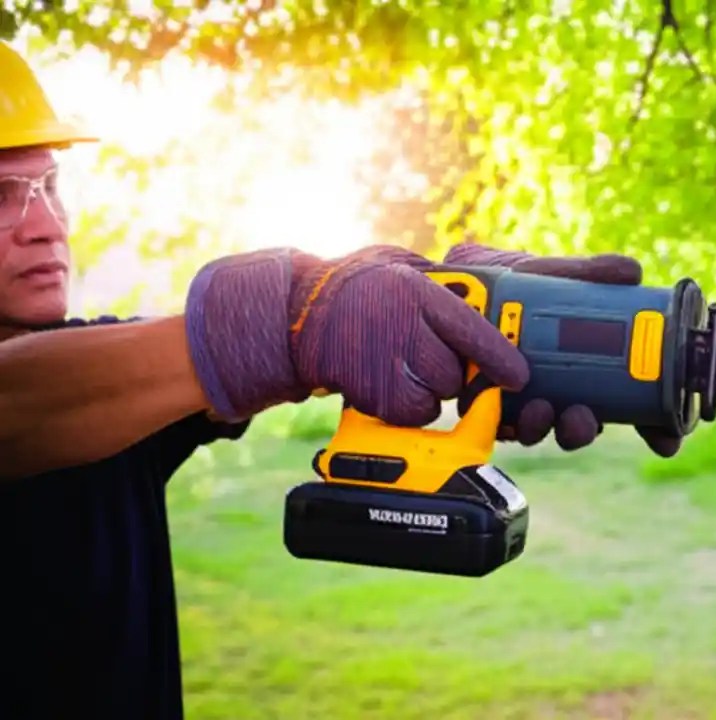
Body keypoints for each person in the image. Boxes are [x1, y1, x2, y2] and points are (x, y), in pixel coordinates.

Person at [0, 41, 681, 719]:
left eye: (50, 186)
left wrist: (461, 299)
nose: (45, 224)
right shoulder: (43, 397)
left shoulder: (96, 366)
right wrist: (296, 317)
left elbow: (204, 358)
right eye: (4, 195)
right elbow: (23, 403)